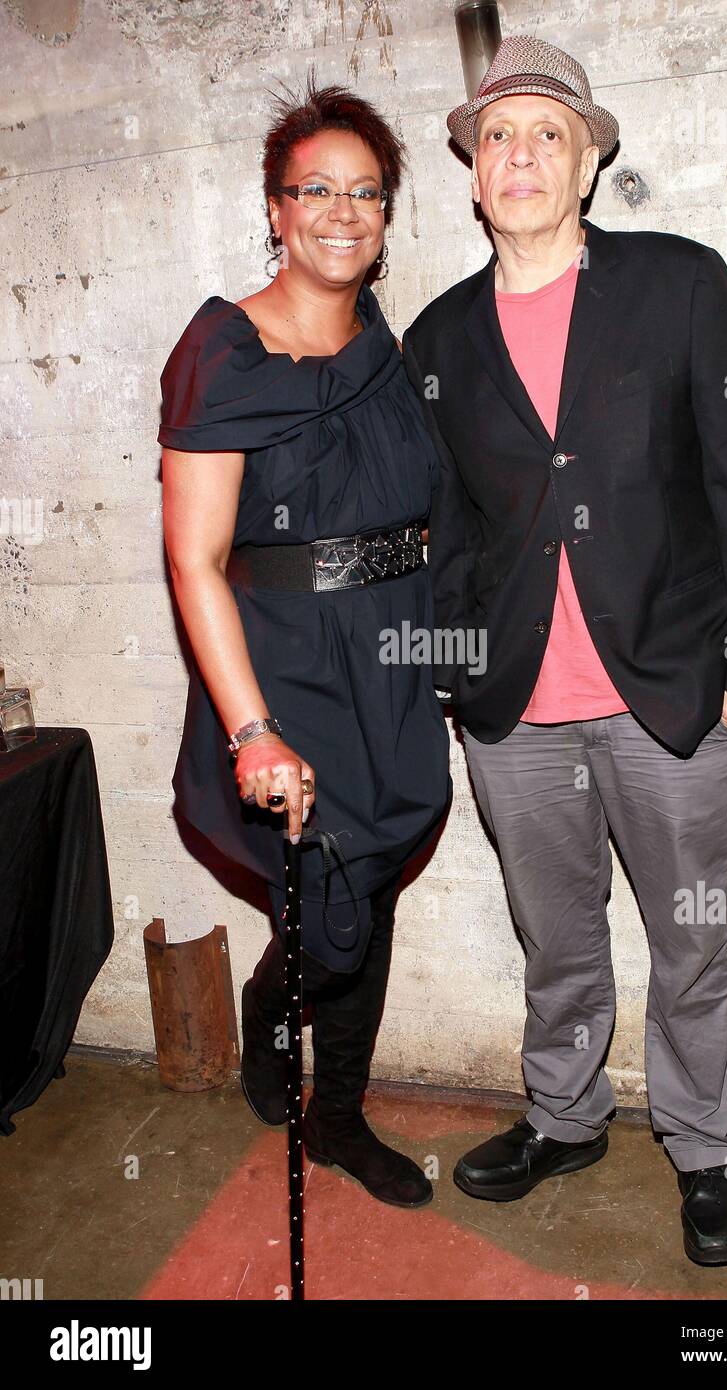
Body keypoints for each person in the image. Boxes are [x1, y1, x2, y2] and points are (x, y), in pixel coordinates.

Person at [402, 35, 727, 1264]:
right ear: (473, 173)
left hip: (667, 688)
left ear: (585, 165)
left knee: (689, 933)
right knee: (552, 936)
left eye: (546, 135)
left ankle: (702, 1145)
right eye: (497, 136)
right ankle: (564, 1118)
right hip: (514, 706)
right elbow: (442, 531)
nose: (520, 155)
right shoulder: (438, 338)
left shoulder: (679, 283)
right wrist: (456, 676)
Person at [159, 76, 451, 1208]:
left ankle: (335, 1119)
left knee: (364, 897)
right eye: (314, 188)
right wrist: (250, 728)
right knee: (330, 910)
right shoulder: (222, 351)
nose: (341, 210)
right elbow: (193, 559)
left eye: (365, 191)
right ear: (275, 208)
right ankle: (271, 1009)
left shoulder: (385, 345)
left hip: (389, 657)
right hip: (281, 667)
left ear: (386, 212)